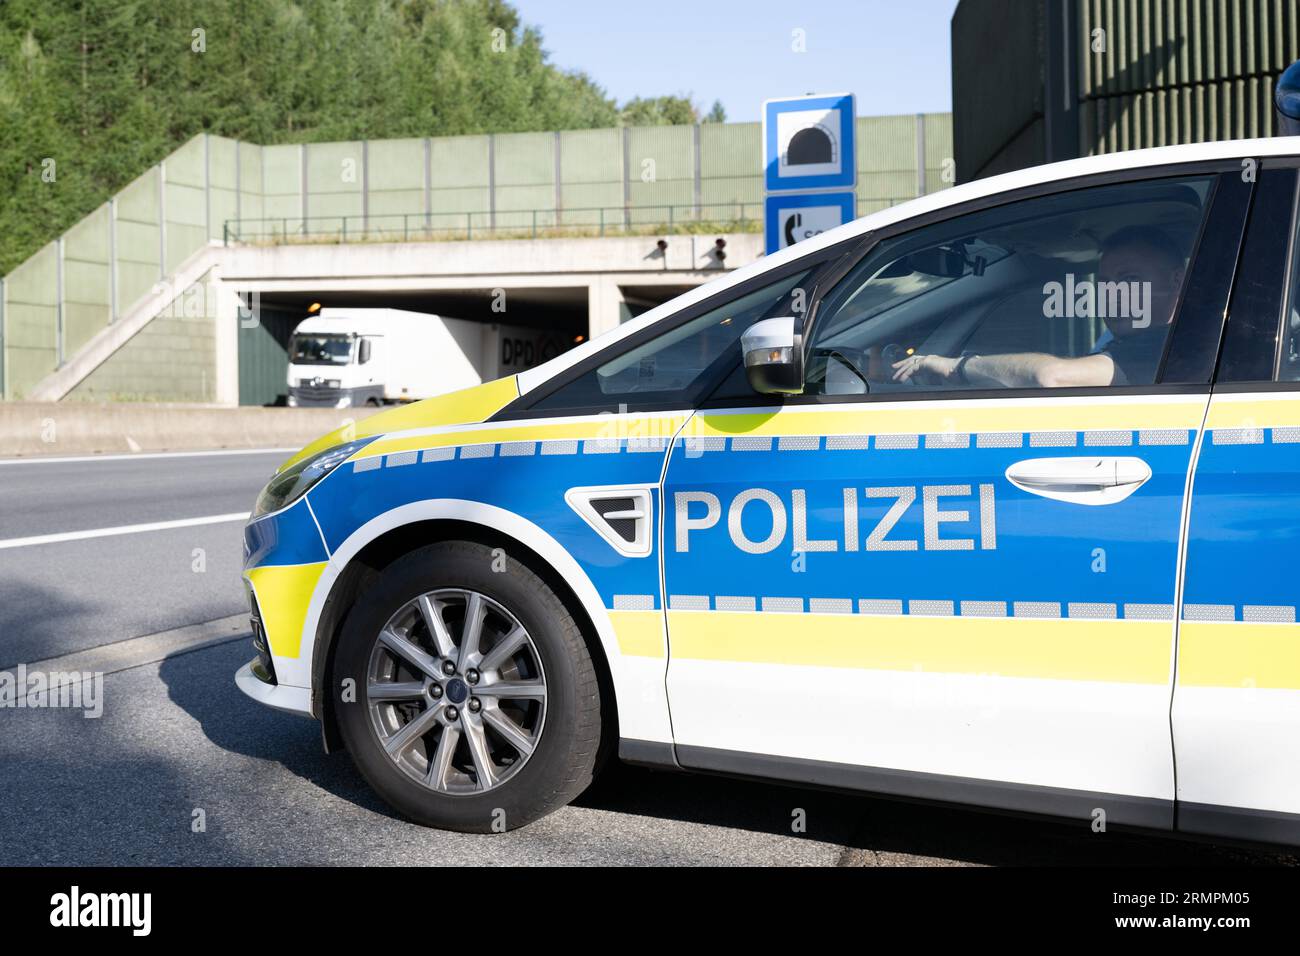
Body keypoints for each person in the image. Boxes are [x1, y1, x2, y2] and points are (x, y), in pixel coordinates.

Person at [891, 225, 1186, 389]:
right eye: (1105, 281)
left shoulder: (1169, 346)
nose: (1114, 293)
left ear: (1176, 281)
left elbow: (1052, 376)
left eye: (1130, 279)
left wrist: (956, 367)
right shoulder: (1126, 342)